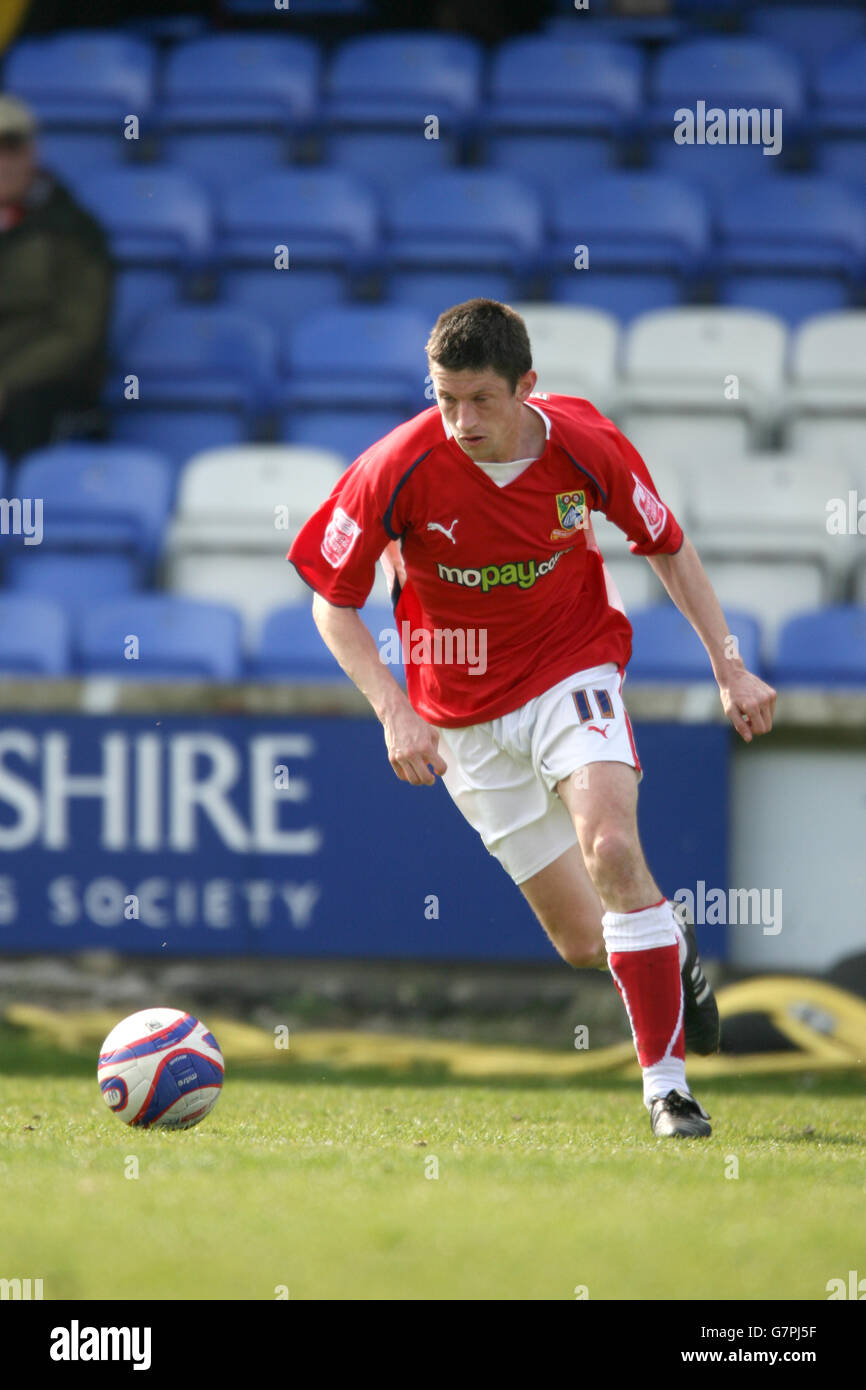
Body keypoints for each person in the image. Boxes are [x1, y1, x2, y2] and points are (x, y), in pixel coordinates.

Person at [288, 299, 777, 1138]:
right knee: (587, 942)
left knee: (614, 848)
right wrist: (393, 711)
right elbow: (331, 605)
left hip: (570, 669)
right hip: (461, 717)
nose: (461, 420)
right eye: (445, 398)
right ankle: (673, 943)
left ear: (527, 388)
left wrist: (727, 664)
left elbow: (666, 545)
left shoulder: (586, 445)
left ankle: (669, 1091)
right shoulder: (396, 465)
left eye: (480, 399)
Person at [0, 93, 112, 461]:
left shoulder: (71, 230)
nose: (2, 162)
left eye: (10, 147)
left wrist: (5, 381)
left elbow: (78, 334)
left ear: (32, 151)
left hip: (39, 385)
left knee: (29, 409)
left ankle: (21, 515)